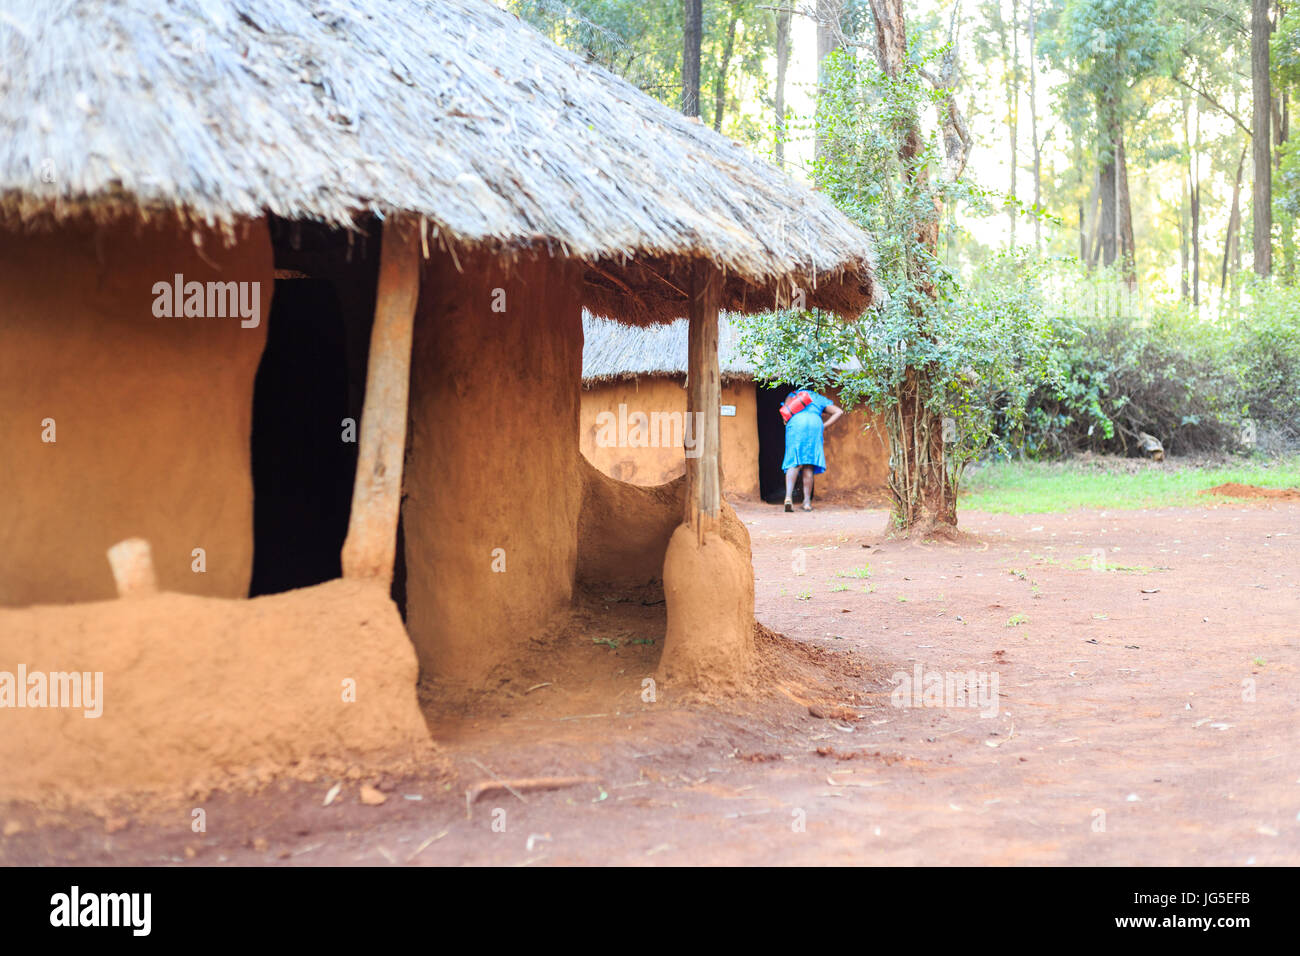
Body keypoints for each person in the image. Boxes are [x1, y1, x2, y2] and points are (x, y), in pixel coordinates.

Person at [781, 387, 843, 511]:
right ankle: (807, 502)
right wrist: (823, 425)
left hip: (796, 424)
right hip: (814, 425)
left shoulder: (793, 395)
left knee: (794, 462)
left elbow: (785, 413)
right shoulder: (818, 397)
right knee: (809, 465)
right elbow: (838, 411)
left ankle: (788, 497)